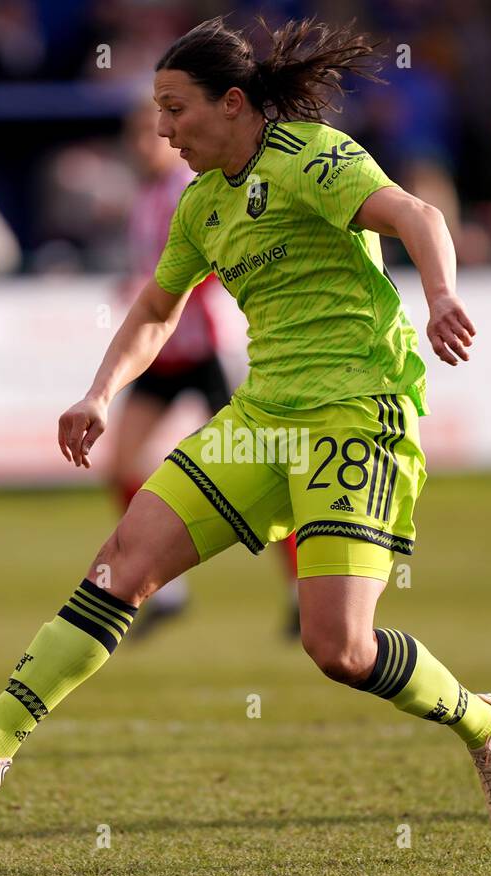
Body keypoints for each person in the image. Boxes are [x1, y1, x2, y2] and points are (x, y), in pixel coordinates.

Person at [0, 16, 491, 842]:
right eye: (156, 111)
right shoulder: (199, 207)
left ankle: (486, 723)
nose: (162, 129)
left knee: (339, 648)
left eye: (175, 109)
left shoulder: (310, 156)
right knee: (124, 562)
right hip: (261, 418)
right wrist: (100, 392)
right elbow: (156, 309)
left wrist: (439, 295)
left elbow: (417, 213)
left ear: (232, 104)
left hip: (355, 413)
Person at [108, 99, 300, 637]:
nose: (150, 144)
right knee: (122, 465)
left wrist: (159, 289)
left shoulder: (191, 193)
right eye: (140, 136)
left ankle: (301, 591)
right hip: (165, 355)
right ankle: (167, 594)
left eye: (155, 134)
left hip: (207, 348)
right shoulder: (143, 199)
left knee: (268, 472)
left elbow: (216, 261)